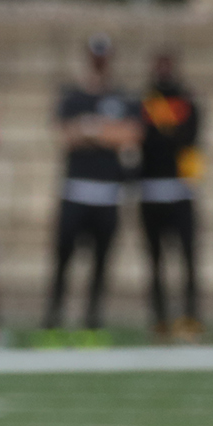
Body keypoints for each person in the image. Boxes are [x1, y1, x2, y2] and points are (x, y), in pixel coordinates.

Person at [45, 35, 140, 335]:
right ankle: (55, 316)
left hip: (107, 195)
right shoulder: (72, 95)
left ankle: (92, 319)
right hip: (75, 190)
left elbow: (130, 135)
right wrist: (104, 133)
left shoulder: (123, 97)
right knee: (63, 257)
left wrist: (91, 129)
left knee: (101, 261)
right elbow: (66, 136)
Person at [138, 50, 203, 343]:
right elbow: (143, 141)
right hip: (150, 189)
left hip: (180, 189)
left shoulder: (187, 101)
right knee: (155, 261)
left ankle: (190, 317)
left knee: (188, 258)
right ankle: (160, 320)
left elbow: (188, 138)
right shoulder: (143, 102)